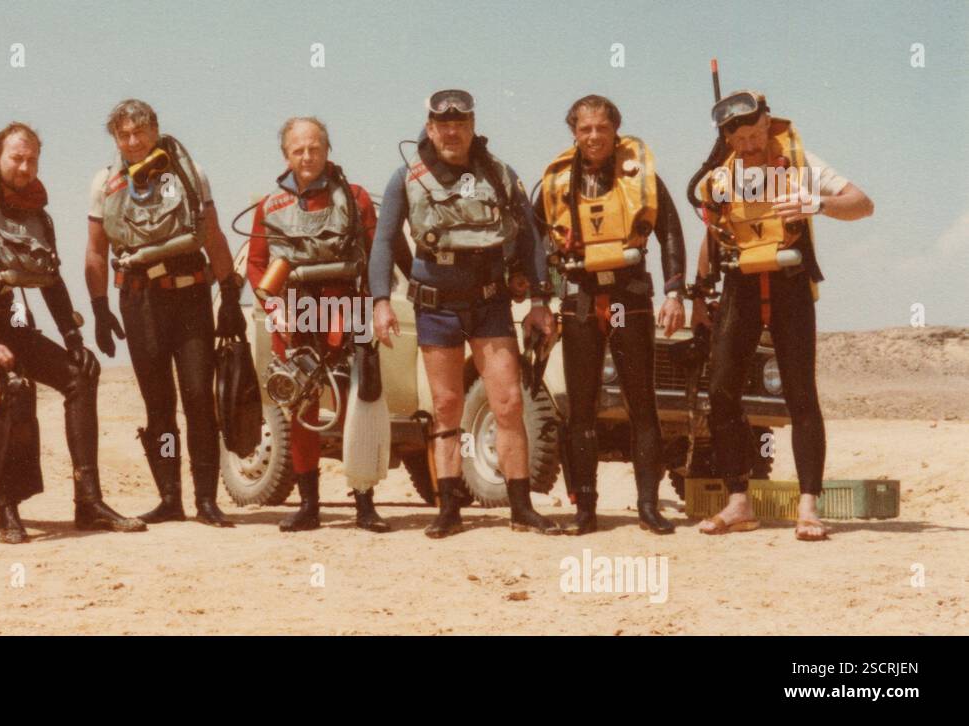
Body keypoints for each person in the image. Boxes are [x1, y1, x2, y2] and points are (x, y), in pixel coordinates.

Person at [0, 121, 147, 544]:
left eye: (32, 160)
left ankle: (89, 502)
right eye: (16, 158)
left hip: (3, 320)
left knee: (81, 374)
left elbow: (51, 279)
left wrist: (74, 339)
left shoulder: (35, 211)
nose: (24, 168)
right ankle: (6, 506)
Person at [370, 89, 560, 538]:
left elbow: (530, 237)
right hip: (437, 305)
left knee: (509, 402)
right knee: (447, 405)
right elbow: (382, 240)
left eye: (461, 124)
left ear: (473, 126)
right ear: (431, 128)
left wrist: (538, 299)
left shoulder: (498, 174)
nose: (452, 132)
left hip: (490, 301)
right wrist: (381, 299)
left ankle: (520, 507)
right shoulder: (407, 178)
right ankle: (449, 508)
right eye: (443, 125)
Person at [689, 90, 873, 541]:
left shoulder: (798, 162)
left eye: (756, 135)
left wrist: (816, 204)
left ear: (768, 123)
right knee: (721, 391)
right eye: (740, 140)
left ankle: (808, 506)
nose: (751, 146)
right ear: (726, 138)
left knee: (799, 393)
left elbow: (863, 203)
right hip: (740, 287)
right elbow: (713, 235)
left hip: (790, 286)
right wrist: (697, 294)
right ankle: (738, 502)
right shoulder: (721, 177)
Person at [533, 95, 686, 535]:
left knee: (642, 403)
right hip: (580, 300)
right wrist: (541, 296)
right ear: (574, 133)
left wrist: (674, 292)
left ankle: (647, 506)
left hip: (624, 300)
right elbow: (531, 237)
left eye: (601, 128)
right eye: (585, 129)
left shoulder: (639, 175)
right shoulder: (557, 180)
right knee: (581, 409)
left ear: (615, 129)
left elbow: (670, 229)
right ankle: (585, 508)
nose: (594, 137)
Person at [84, 99, 241, 528]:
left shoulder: (189, 175)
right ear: (115, 138)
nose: (133, 142)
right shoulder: (106, 183)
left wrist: (229, 295)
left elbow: (212, 235)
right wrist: (99, 307)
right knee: (159, 407)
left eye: (140, 132)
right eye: (124, 135)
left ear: (155, 129)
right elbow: (96, 251)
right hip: (140, 303)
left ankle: (206, 499)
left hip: (189, 298)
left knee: (198, 398)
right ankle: (171, 497)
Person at [244, 117, 390, 532]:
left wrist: (376, 305)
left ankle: (364, 501)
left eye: (314, 148)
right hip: (293, 311)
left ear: (327, 149)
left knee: (356, 403)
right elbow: (257, 267)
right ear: (286, 155)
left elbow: (376, 256)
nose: (307, 156)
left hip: (345, 307)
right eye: (298, 150)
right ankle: (309, 505)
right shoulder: (269, 207)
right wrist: (274, 309)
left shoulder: (355, 197)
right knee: (300, 406)